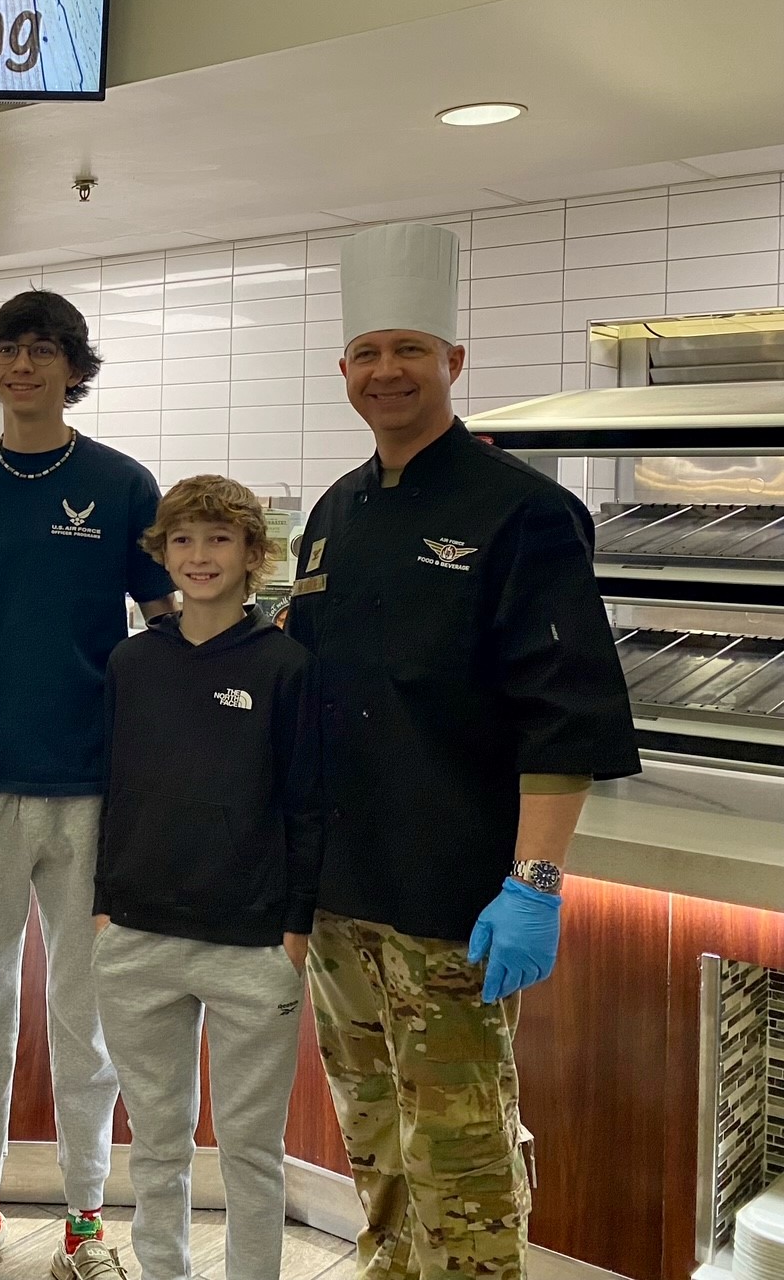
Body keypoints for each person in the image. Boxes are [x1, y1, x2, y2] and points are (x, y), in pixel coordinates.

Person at [286, 222, 640, 1280]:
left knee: (461, 1154)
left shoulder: (524, 511)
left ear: (454, 361)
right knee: (374, 1140)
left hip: (453, 898)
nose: (386, 370)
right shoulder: (333, 512)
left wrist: (537, 882)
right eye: (367, 352)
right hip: (339, 896)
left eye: (409, 349)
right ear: (344, 371)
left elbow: (561, 712)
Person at [0, 290, 176, 1280]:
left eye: (43, 350)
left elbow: (169, 628)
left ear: (74, 368)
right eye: (6, 350)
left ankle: (83, 1226)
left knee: (87, 1024)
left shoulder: (121, 485)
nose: (22, 365)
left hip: (92, 793)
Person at [92, 475, 320, 1280]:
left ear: (254, 554)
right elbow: (113, 788)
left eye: (219, 538)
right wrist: (104, 906)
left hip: (253, 946)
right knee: (157, 1143)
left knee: (252, 1149)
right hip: (137, 939)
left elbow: (306, 803)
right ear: (162, 553)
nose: (200, 555)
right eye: (183, 539)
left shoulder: (286, 666)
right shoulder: (131, 662)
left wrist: (296, 928)